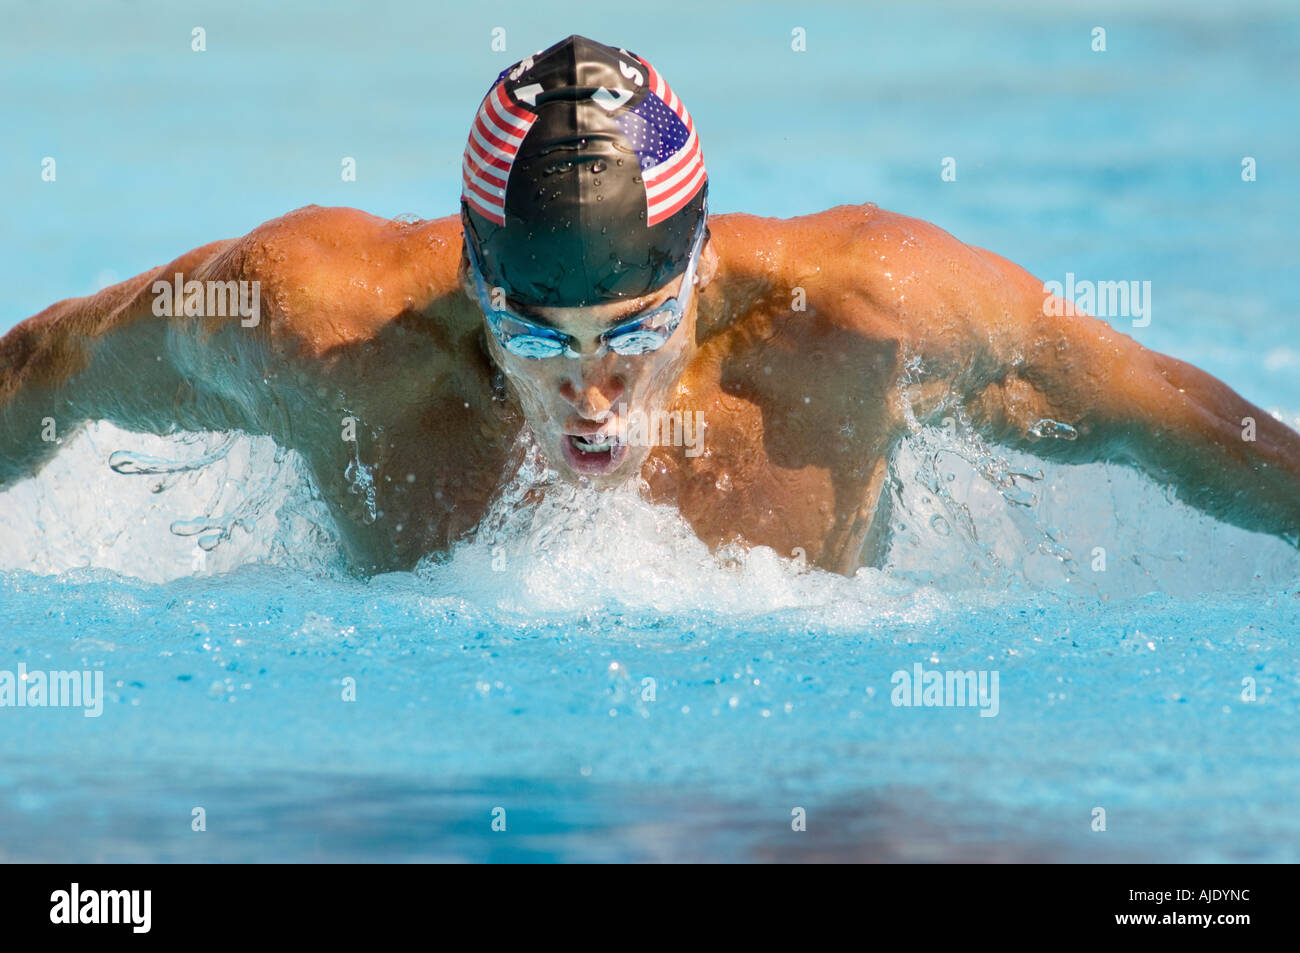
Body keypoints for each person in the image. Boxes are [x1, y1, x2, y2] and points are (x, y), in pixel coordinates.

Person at [2, 34, 1298, 575]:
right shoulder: (320, 329)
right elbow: (51, 364)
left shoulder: (870, 319)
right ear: (473, 282)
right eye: (535, 337)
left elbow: (1175, 417)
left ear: (699, 268)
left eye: (631, 329)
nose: (592, 387)